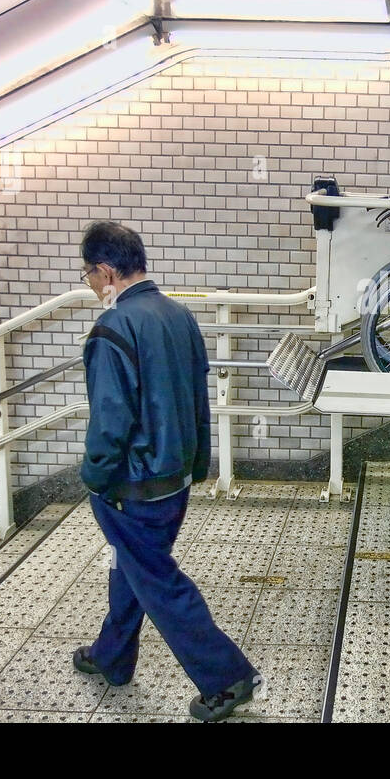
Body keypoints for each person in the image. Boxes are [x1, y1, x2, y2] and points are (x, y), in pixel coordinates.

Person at [72, 221, 259, 722]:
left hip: (133, 485)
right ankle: (112, 655)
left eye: (89, 273)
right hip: (174, 477)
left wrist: (94, 477)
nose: (90, 283)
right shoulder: (179, 316)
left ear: (107, 271)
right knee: (134, 565)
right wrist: (197, 465)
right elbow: (198, 398)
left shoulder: (113, 329)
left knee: (156, 578)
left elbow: (110, 421)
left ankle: (226, 676)